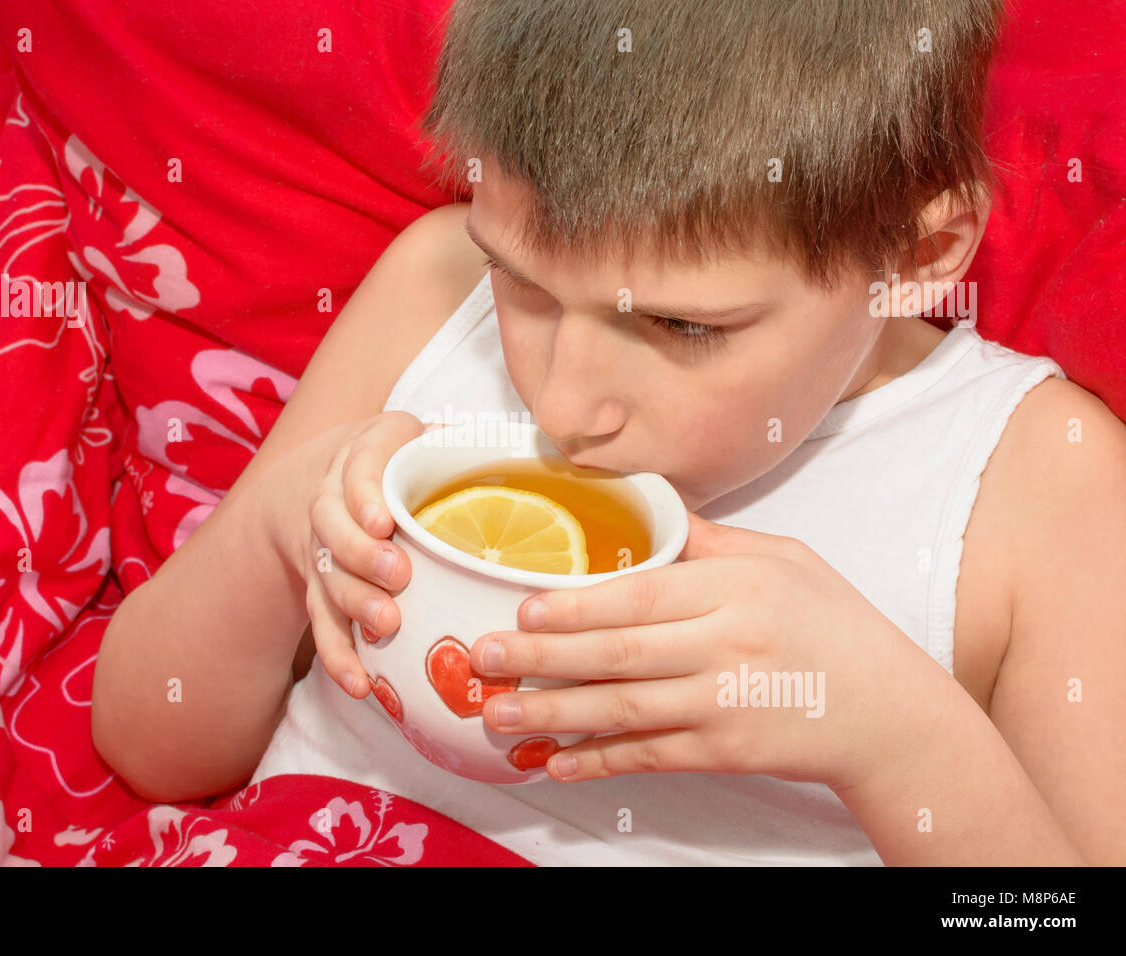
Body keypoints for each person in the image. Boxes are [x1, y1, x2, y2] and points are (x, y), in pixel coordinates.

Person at [91, 0, 1126, 864]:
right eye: (522, 279)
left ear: (917, 250)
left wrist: (901, 738)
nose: (562, 402)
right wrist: (281, 530)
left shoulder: (1037, 484)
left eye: (681, 325)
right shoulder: (431, 284)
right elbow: (148, 741)